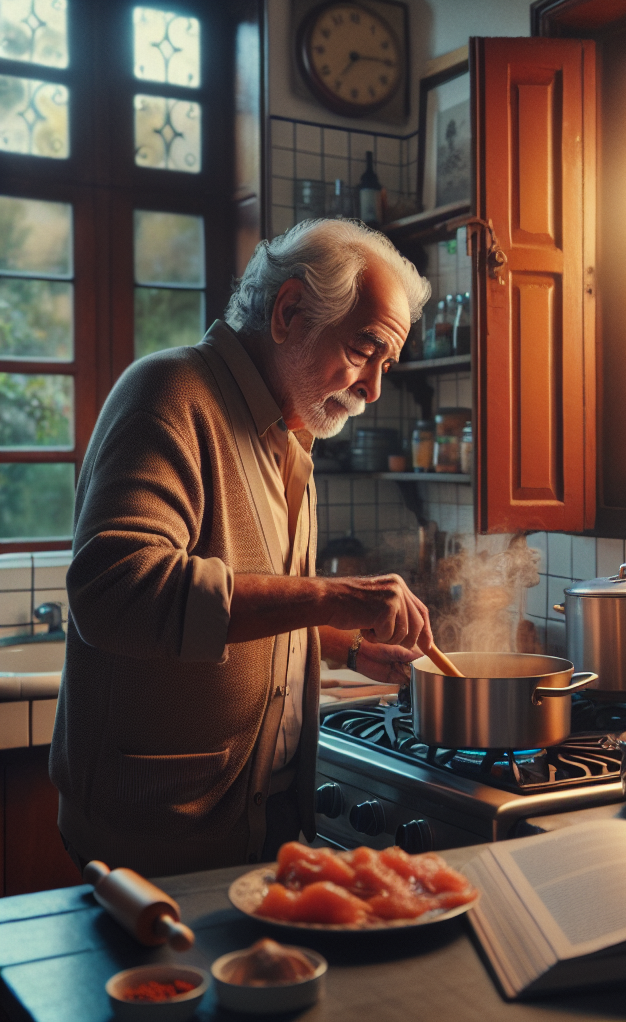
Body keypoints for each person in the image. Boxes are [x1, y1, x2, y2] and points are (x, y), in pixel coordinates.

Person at [49, 219, 433, 877]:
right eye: (366, 348)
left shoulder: (289, 435)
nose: (373, 388)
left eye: (386, 365)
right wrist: (333, 596)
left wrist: (348, 646)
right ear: (289, 311)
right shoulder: (170, 393)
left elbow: (251, 613)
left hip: (263, 822)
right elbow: (115, 593)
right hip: (158, 831)